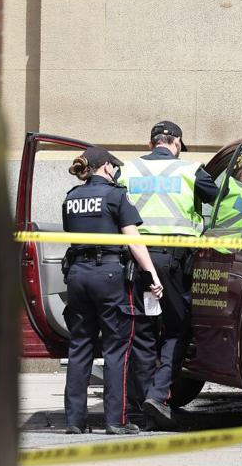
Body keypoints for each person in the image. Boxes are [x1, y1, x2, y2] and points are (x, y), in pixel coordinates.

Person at [120, 120, 219, 429]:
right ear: (175, 142)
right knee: (177, 329)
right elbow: (221, 201)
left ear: (152, 143)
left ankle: (139, 405)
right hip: (175, 263)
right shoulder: (190, 171)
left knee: (144, 332)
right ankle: (158, 395)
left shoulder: (127, 170)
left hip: (137, 261)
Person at [61, 145, 164, 435]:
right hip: (108, 275)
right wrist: (151, 274)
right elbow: (134, 241)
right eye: (113, 167)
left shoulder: (71, 198)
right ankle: (115, 421)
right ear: (105, 166)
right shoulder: (116, 195)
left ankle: (74, 421)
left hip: (77, 275)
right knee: (116, 348)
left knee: (80, 346)